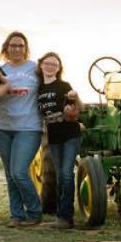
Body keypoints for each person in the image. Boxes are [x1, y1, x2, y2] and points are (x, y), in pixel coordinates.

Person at [0, 31, 43, 227]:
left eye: (21, 45)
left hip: (29, 127)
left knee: (19, 172)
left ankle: (35, 211)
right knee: (10, 174)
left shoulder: (35, 69)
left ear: (25, 48)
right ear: (6, 48)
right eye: (13, 45)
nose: (17, 49)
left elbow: (50, 86)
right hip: (1, 127)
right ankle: (16, 215)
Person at [36, 52, 81, 229]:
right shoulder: (38, 88)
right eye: (47, 63)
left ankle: (65, 217)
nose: (50, 66)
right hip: (53, 136)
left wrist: (75, 98)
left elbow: (79, 108)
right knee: (59, 175)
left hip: (69, 133)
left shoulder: (64, 86)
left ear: (59, 68)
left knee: (66, 174)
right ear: (41, 65)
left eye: (54, 64)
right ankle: (62, 215)